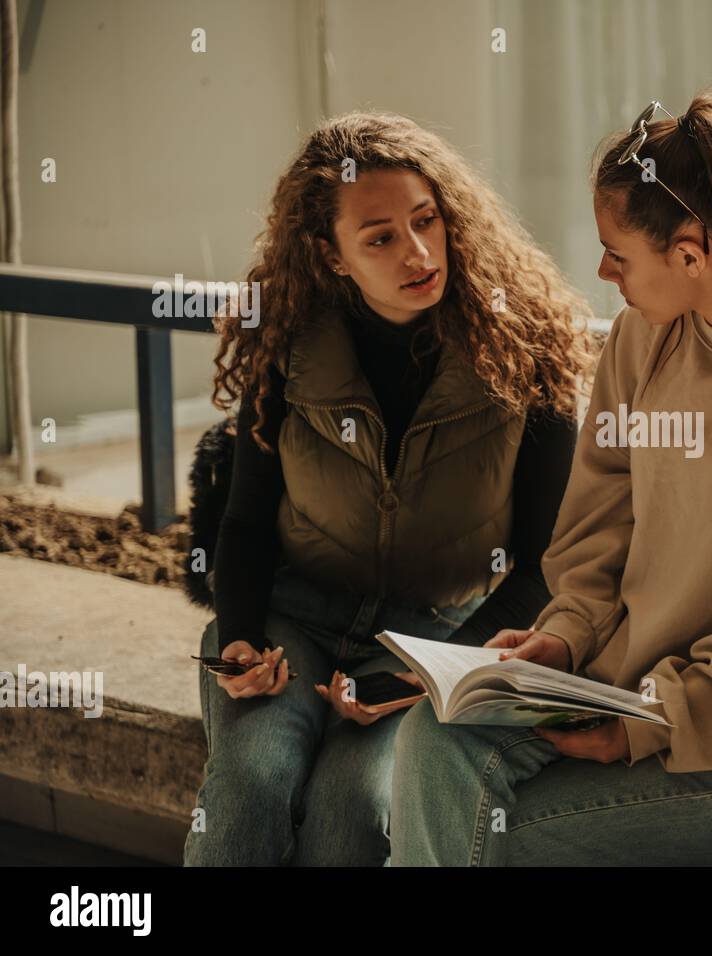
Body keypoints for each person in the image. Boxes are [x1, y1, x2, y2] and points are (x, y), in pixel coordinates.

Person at [391, 90, 712, 866]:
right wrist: (563, 640)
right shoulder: (642, 338)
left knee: (490, 839)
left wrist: (647, 721)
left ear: (692, 253)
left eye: (618, 253)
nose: (601, 270)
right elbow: (599, 526)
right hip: (604, 687)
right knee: (431, 742)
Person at [183, 111, 591, 866]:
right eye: (380, 237)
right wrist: (242, 638)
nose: (419, 251)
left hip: (438, 634)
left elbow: (545, 563)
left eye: (427, 220)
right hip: (291, 624)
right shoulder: (286, 341)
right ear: (330, 255)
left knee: (354, 812)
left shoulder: (527, 346)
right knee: (251, 787)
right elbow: (241, 524)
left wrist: (431, 675)